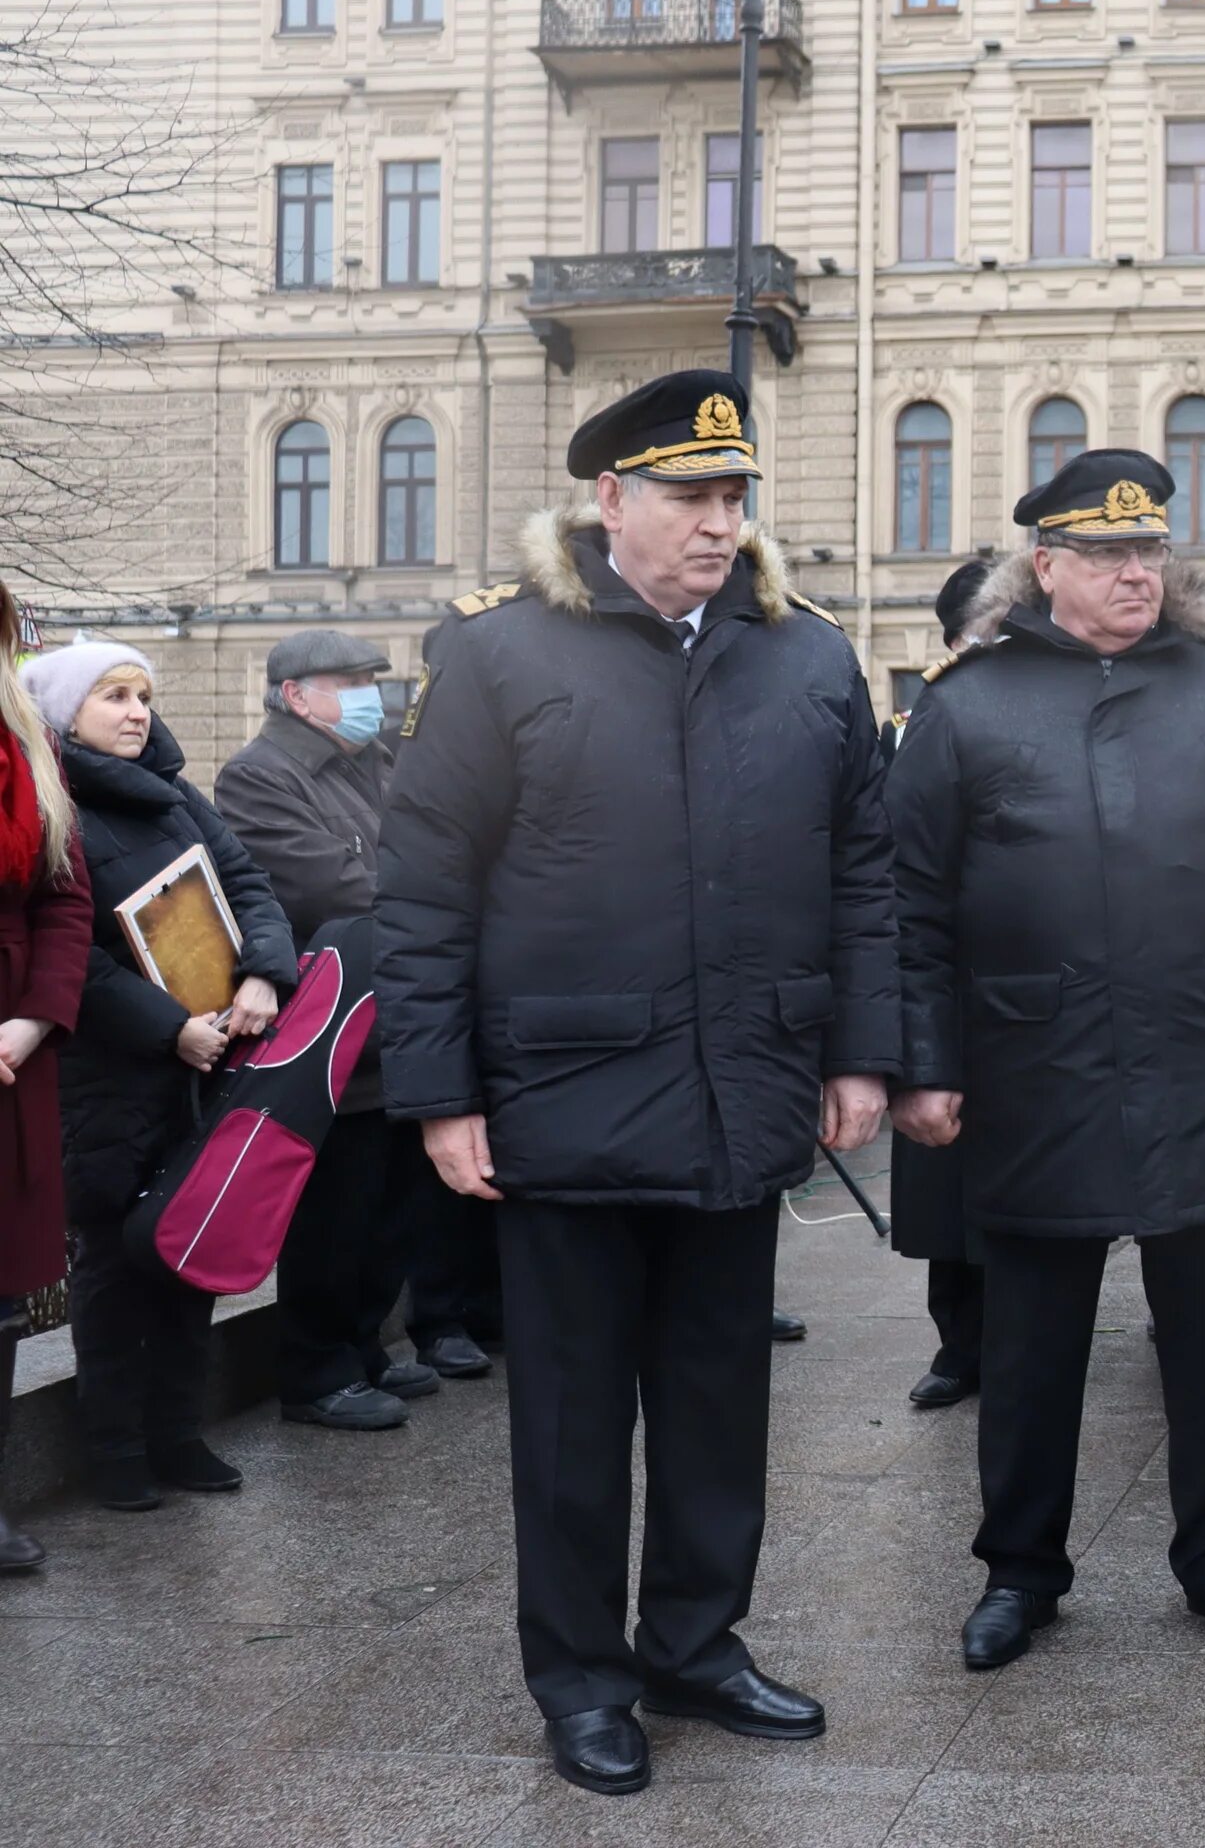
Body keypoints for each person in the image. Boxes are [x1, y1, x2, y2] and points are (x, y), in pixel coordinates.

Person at [375, 370, 897, 1797]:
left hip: (744, 1093)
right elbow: (421, 888)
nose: (721, 526)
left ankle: (694, 1645)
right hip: (562, 1095)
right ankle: (582, 1678)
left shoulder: (808, 658)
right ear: (611, 503)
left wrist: (860, 1051)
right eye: (691, 498)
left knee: (721, 1401)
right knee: (570, 1417)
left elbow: (866, 874)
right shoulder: (501, 657)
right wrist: (437, 1091)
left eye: (736, 498)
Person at [887, 450, 1205, 1676]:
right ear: (1048, 567)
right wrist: (921, 1064)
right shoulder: (968, 704)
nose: (1135, 572)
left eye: (1149, 552)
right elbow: (910, 902)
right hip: (1035, 1066)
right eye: (1106, 554)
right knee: (1032, 1345)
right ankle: (1021, 1571)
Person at [27, 642, 299, 1514]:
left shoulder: (179, 796)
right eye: (114, 696)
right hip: (108, 1080)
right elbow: (70, 958)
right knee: (111, 1272)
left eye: (144, 695)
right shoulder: (48, 808)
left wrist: (265, 973)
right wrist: (167, 1030)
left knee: (191, 1254)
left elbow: (252, 886)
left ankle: (180, 1437)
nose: (137, 711)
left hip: (208, 1067)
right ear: (67, 715)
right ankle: (113, 1452)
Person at [215, 627, 443, 1430]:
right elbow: (336, 885)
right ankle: (315, 1372)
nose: (366, 694)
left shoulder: (372, 761)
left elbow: (427, 853)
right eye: (346, 680)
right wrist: (426, 891)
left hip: (398, 1017)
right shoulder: (258, 775)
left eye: (370, 679)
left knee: (390, 1211)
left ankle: (362, 1349)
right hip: (335, 1027)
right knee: (334, 1216)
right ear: (295, 695)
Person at [0, 581, 90, 1573]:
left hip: (12, 1044)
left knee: (1, 1294)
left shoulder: (29, 743)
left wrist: (32, 1019)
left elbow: (67, 895)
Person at [894, 556, 993, 1412]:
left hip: (1026, 988)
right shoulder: (914, 725)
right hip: (938, 983)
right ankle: (959, 1343)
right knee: (944, 1185)